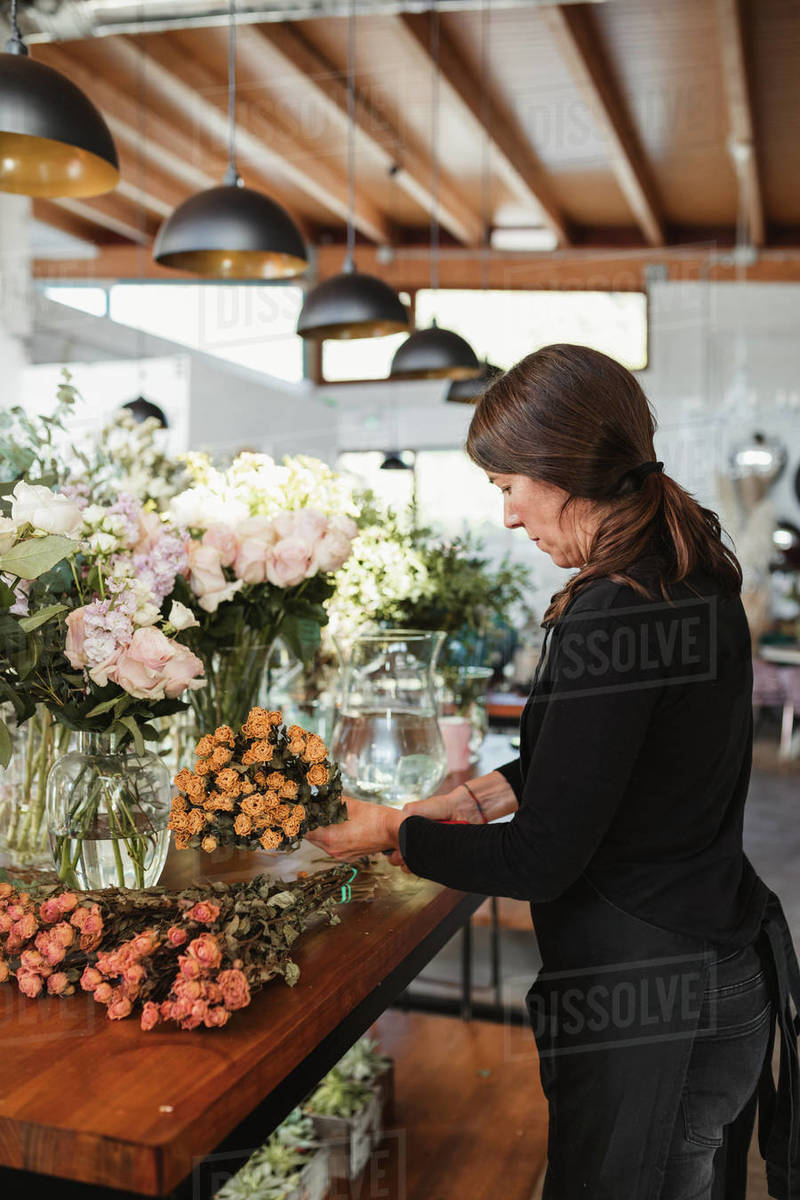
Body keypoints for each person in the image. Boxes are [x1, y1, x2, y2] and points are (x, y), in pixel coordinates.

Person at [306, 343, 800, 1200]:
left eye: (507, 487)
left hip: (655, 997)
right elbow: (605, 758)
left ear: (564, 470)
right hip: (711, 967)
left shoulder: (612, 610)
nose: (505, 515)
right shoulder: (690, 576)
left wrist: (394, 830)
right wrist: (475, 793)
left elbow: (541, 858)